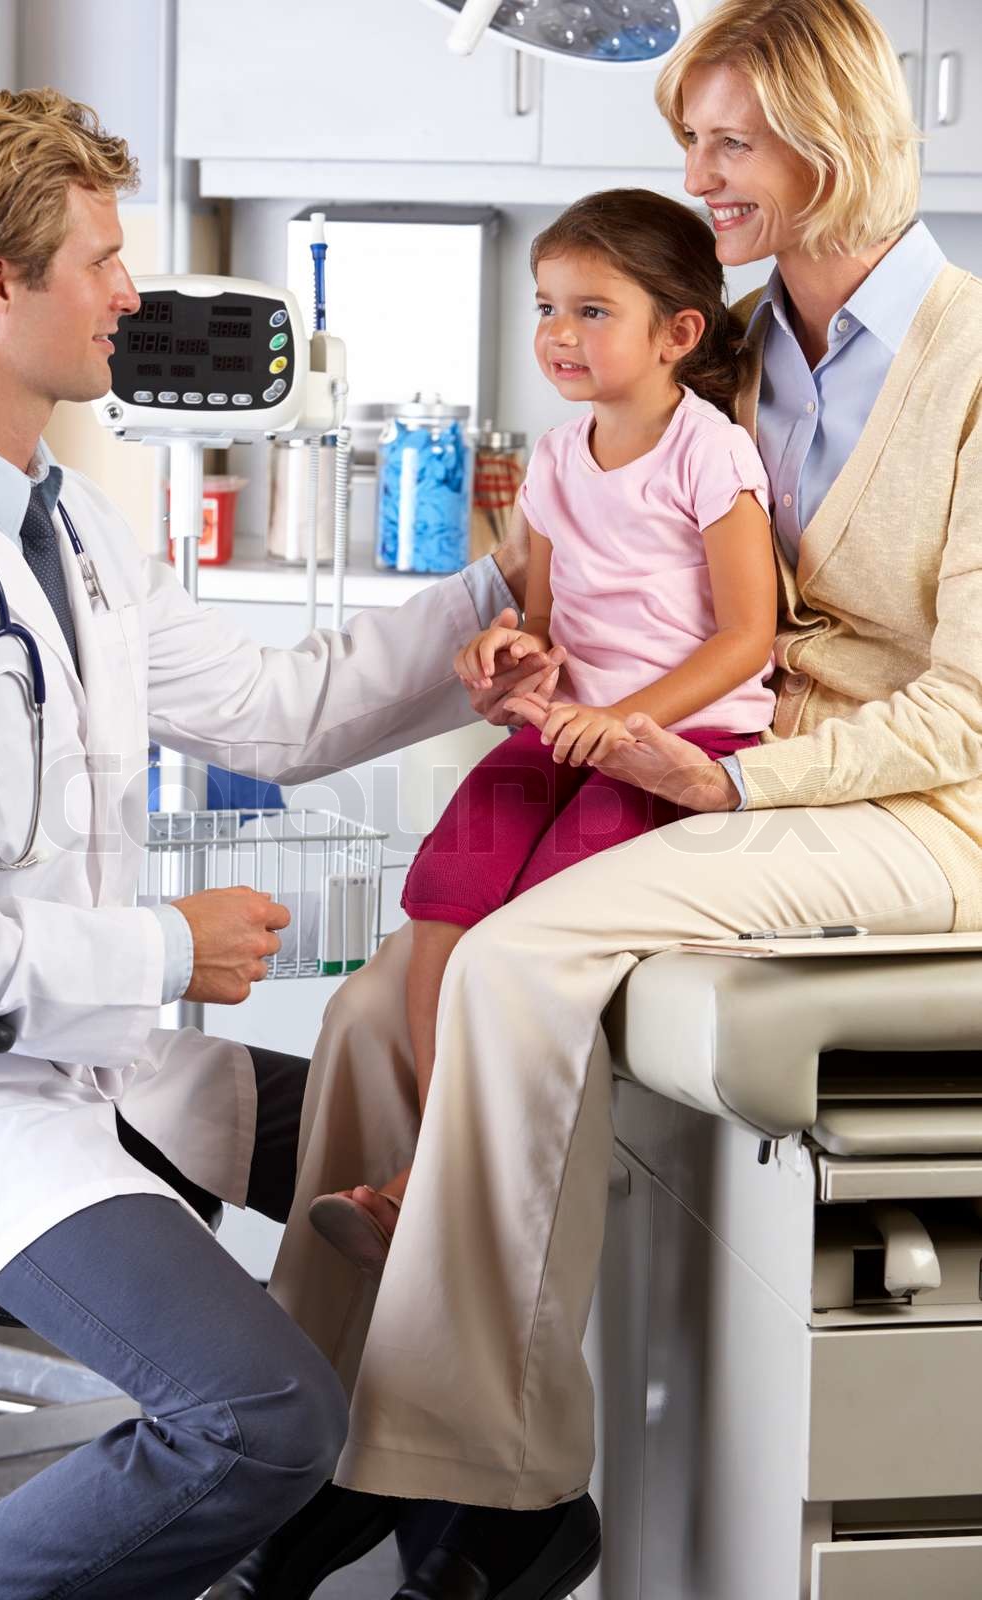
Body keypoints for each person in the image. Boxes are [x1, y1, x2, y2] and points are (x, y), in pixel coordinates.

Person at [231, 1, 979, 1596]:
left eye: (728, 140)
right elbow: (586, 557)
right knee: (373, 1015)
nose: (696, 174)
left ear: (830, 135)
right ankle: (325, 1440)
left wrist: (726, 773)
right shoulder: (721, 337)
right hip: (723, 769)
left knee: (510, 964)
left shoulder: (968, 367)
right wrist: (509, 637)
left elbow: (962, 707)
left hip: (900, 803)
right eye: (685, 140)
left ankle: (489, 1494)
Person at [0, 87, 551, 1600]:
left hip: (92, 1058)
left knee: (445, 1164)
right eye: (99, 260)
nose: (131, 294)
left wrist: (492, 588)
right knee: (256, 1422)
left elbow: (275, 710)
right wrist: (167, 947)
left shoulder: (67, 527)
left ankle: (472, 1533)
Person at [306, 188, 776, 1278]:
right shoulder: (559, 462)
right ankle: (427, 1161)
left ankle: (454, 1187)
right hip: (573, 731)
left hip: (681, 743)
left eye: (591, 310)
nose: (559, 333)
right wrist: (509, 655)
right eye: (546, 307)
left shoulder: (709, 456)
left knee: (527, 927)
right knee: (441, 892)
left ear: (677, 333)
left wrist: (624, 722)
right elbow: (549, 627)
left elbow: (746, 636)